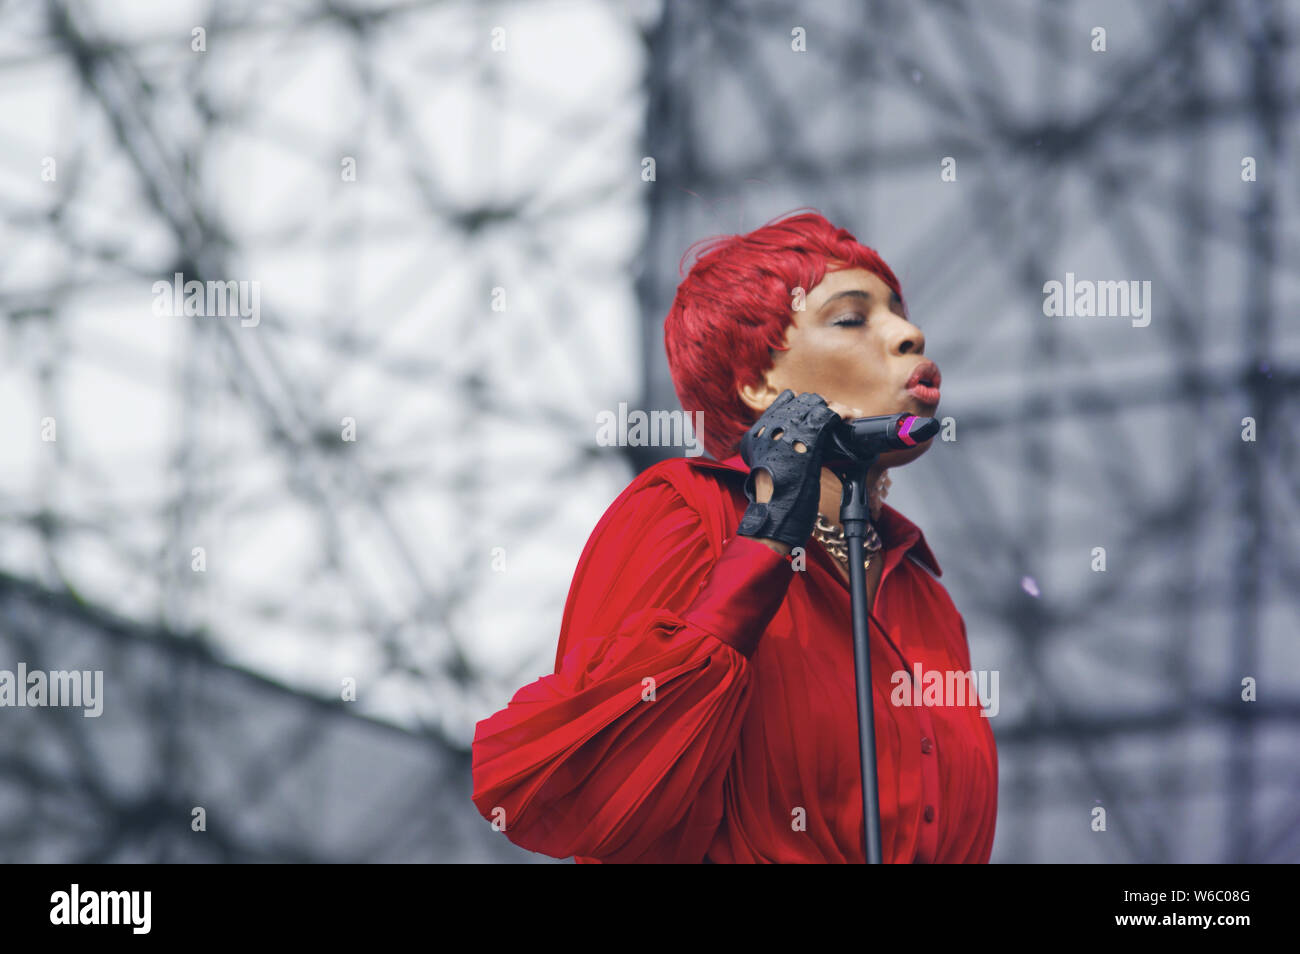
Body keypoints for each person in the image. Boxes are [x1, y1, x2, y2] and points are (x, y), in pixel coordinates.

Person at [470, 210, 997, 863]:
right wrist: (762, 545)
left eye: (899, 312)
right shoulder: (685, 512)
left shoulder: (926, 596)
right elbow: (561, 788)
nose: (910, 333)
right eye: (851, 319)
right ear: (757, 382)